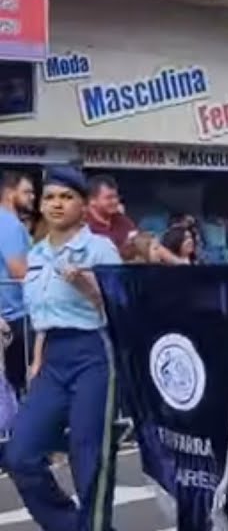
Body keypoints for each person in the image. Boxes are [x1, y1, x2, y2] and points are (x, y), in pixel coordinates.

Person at [2, 166, 123, 531]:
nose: (56, 204)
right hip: (52, 355)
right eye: (50, 197)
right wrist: (38, 359)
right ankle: (71, 525)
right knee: (20, 452)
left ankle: (95, 526)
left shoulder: (99, 248)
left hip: (94, 352)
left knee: (89, 457)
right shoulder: (37, 252)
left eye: (67, 197)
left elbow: (122, 308)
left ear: (83, 207)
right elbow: (43, 313)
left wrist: (89, 288)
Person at [0, 171, 33, 397]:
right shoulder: (9, 224)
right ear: (10, 194)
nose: (33, 196)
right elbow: (18, 270)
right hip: (16, 317)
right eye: (27, 192)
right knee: (20, 384)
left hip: (10, 315)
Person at [84, 175, 136, 255]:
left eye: (116, 196)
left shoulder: (123, 221)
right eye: (109, 198)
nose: (115, 201)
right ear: (92, 201)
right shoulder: (81, 225)